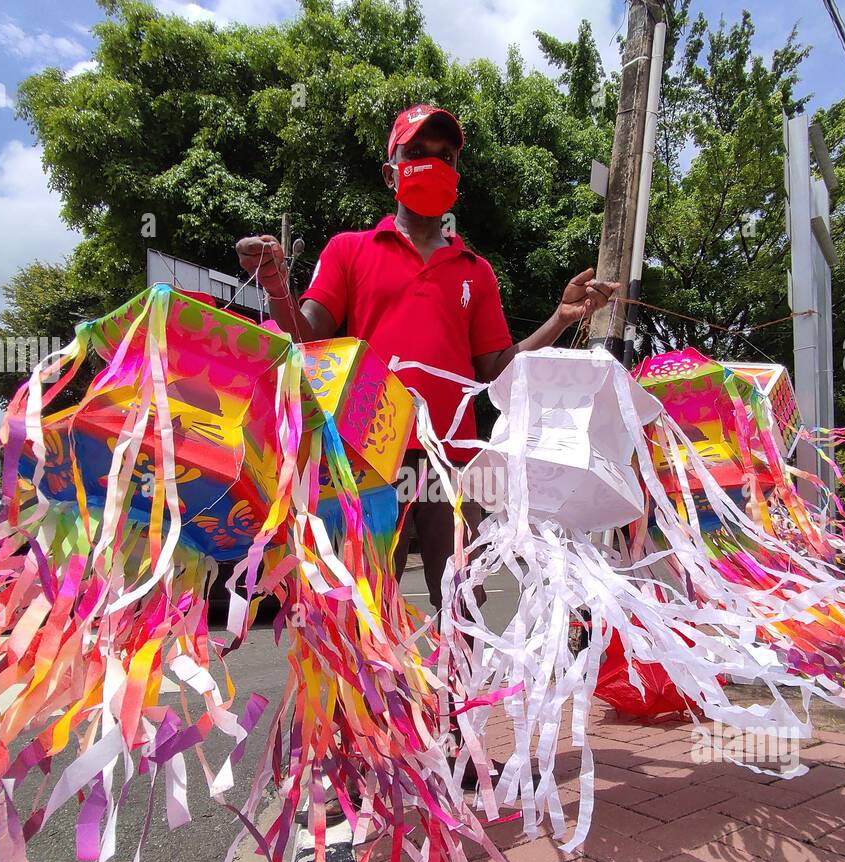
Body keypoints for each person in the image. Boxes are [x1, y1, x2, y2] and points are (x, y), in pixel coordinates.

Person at [236, 103, 618, 613]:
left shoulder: (475, 271)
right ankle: (366, 697)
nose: (433, 164)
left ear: (457, 173)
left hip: (450, 460)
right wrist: (277, 288)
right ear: (389, 170)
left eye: (446, 156)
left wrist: (561, 318)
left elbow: (497, 371)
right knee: (367, 605)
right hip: (368, 458)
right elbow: (308, 343)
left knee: (463, 601)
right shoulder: (350, 250)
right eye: (417, 153)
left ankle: (455, 696)